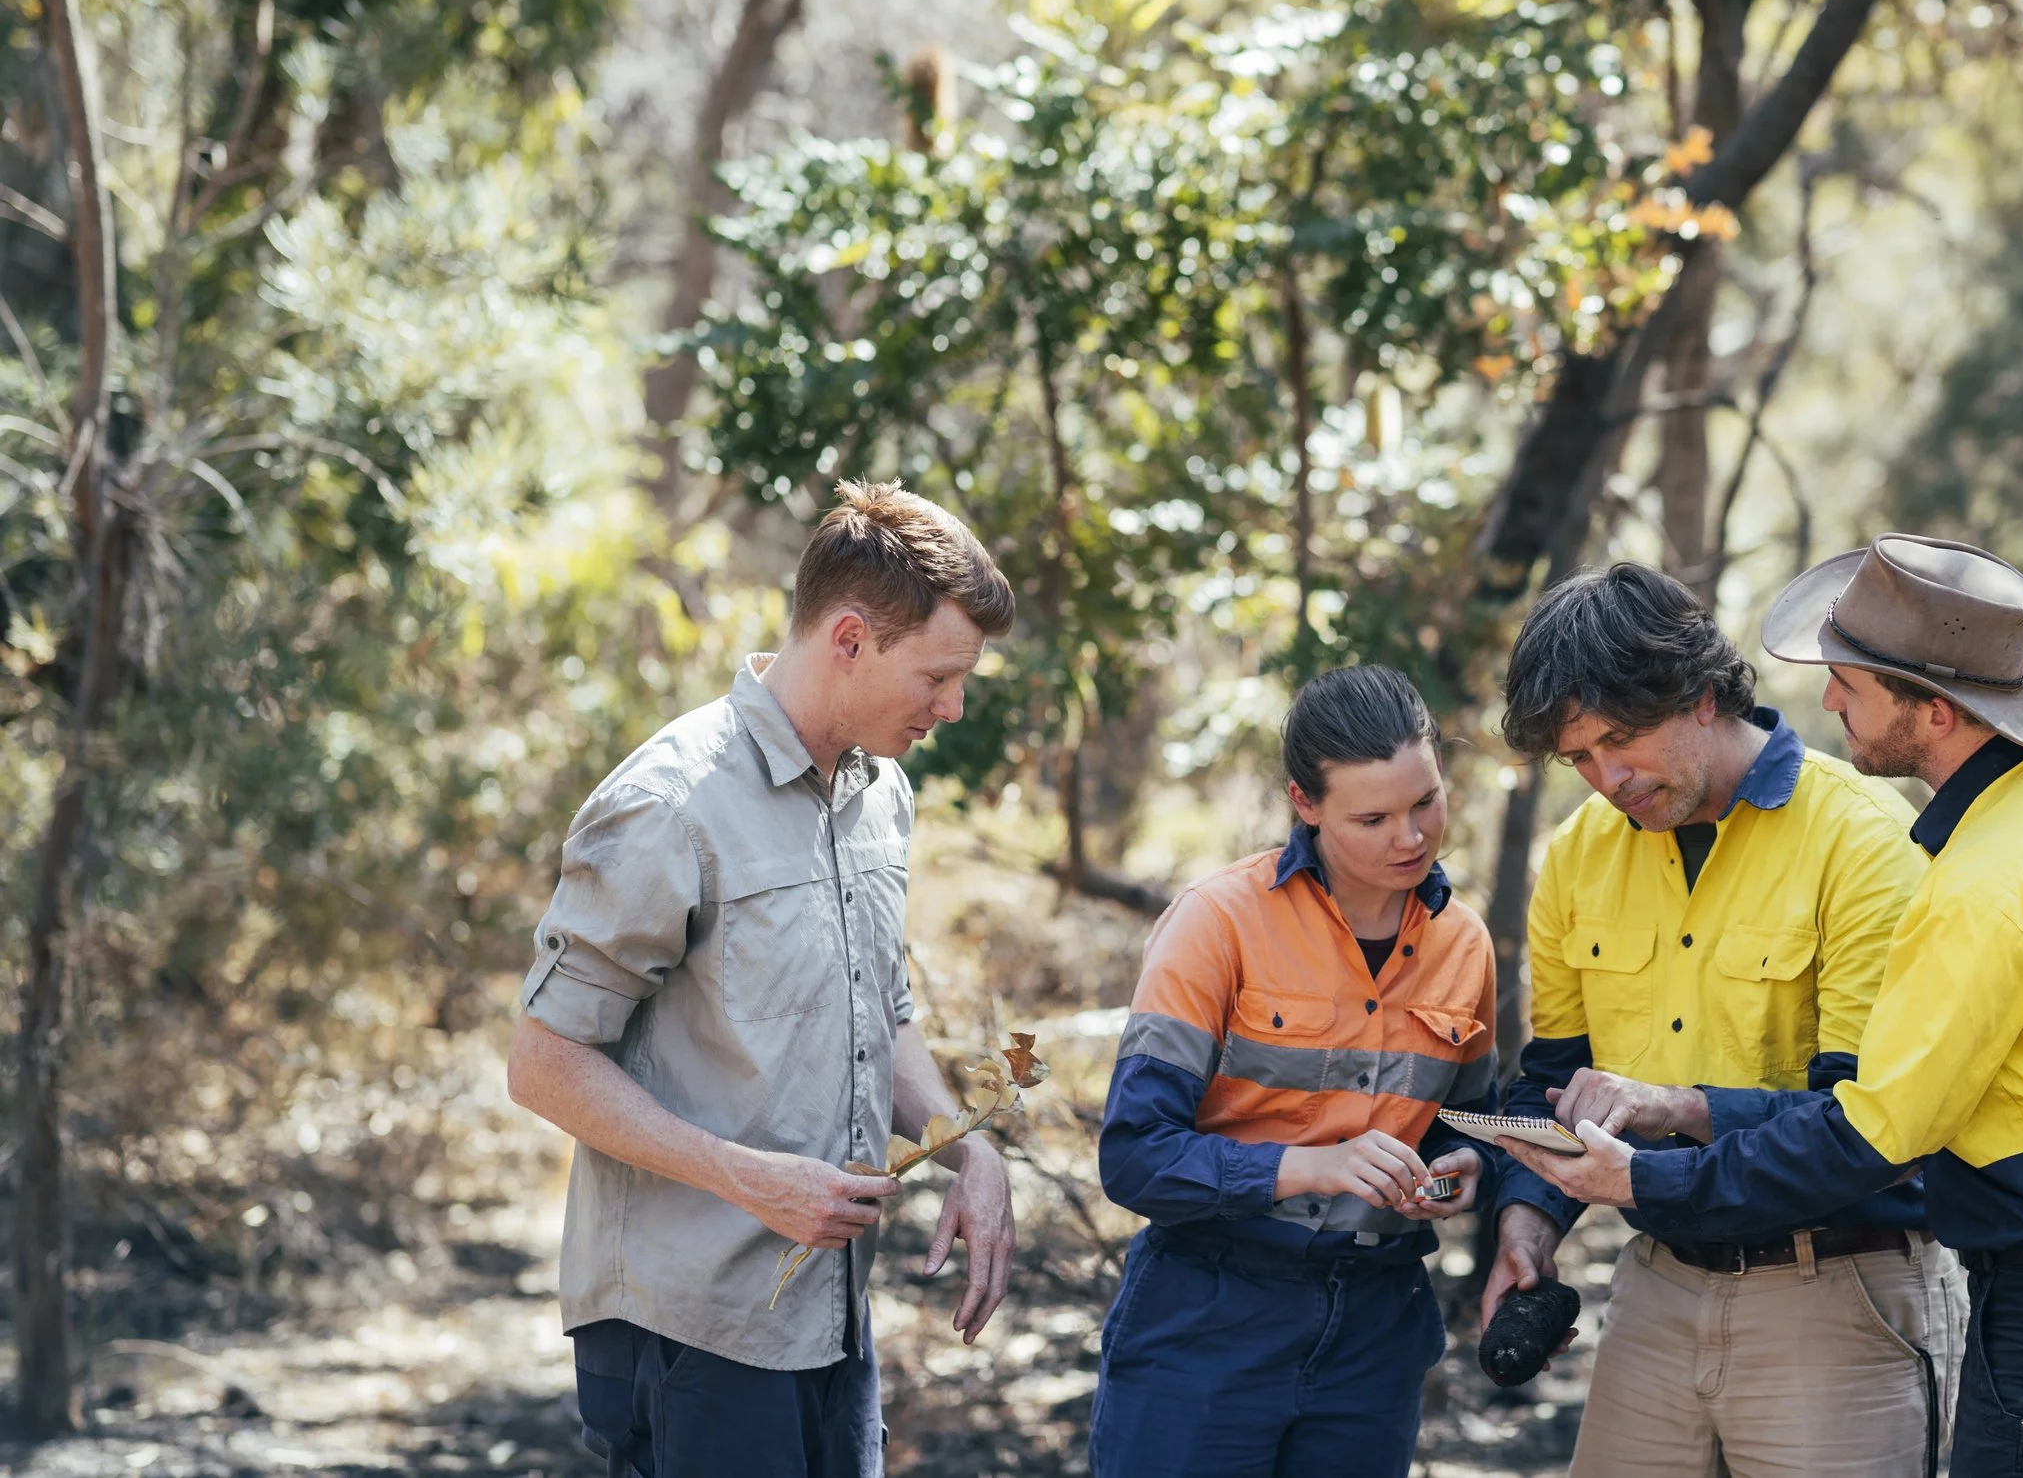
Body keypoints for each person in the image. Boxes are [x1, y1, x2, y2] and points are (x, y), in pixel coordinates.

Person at [1501, 535, 2023, 1478]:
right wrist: (1670, 1115)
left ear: (1934, 707)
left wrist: (1647, 1179)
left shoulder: (1974, 880)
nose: (1828, 699)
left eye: (1850, 680)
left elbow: (1873, 1138)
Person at [506, 481, 1020, 1478]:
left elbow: (882, 1010)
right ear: (848, 638)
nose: (952, 706)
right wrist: (745, 1177)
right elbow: (541, 1061)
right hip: (689, 1326)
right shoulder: (669, 803)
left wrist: (967, 1148)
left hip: (828, 1314)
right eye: (938, 675)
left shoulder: (881, 794)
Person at [1484, 563, 1963, 1478]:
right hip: (1656, 1285)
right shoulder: (1579, 853)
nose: (1606, 778)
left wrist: (1673, 1109)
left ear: (1703, 694)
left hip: (1843, 1290)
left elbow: (1870, 1125)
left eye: (1621, 739)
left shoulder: (1866, 840)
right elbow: (1557, 1079)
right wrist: (1530, 1220)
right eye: (1579, 757)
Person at [1091, 665, 1504, 1478]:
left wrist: (1467, 1168)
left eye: (1425, 801)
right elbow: (1134, 1154)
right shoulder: (1216, 922)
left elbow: (1472, 1123)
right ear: (1305, 805)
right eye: (1374, 817)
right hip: (1208, 1318)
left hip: (1376, 1335)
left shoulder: (1466, 945)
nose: (1410, 837)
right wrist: (1310, 1165)